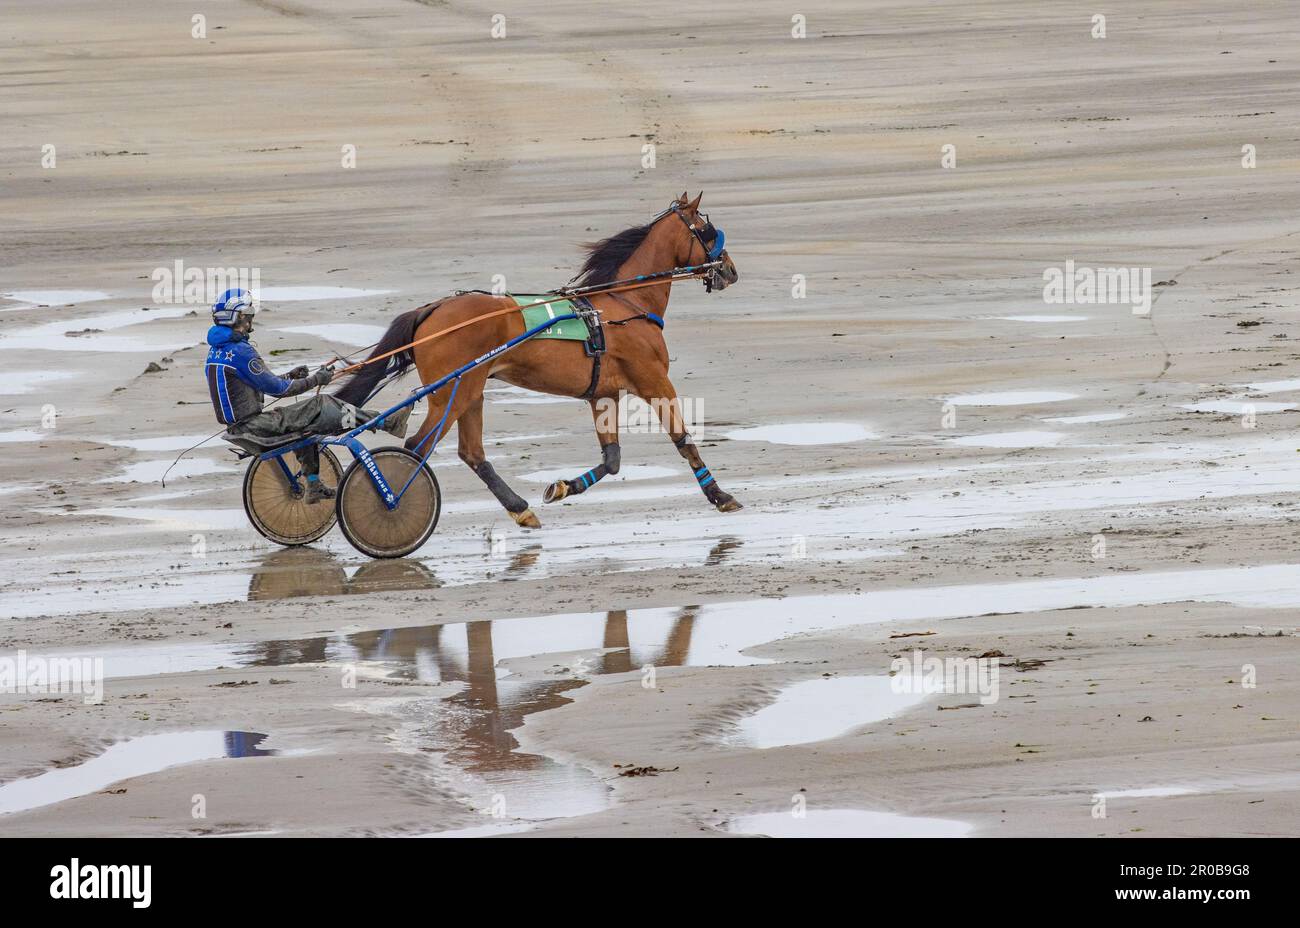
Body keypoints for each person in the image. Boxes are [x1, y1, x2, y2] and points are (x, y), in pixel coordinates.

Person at [204, 288, 409, 503]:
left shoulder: (216, 351)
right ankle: (384, 422)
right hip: (255, 427)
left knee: (306, 424)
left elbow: (256, 384)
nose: (250, 322)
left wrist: (290, 375)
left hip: (241, 427)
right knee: (321, 404)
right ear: (239, 318)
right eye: (248, 317)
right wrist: (317, 380)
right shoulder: (241, 352)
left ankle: (313, 484)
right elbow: (280, 390)